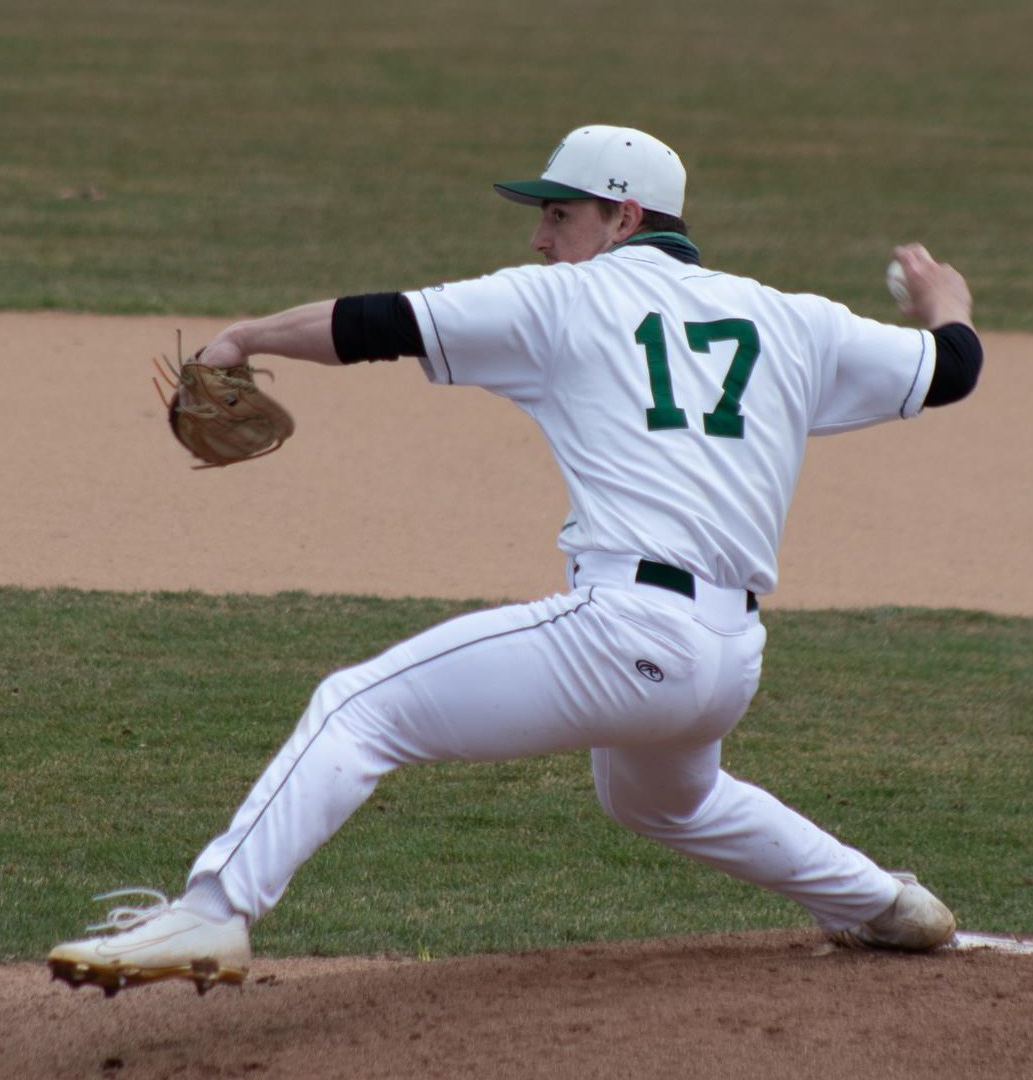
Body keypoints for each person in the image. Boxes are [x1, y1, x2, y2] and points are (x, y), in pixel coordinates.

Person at [49, 124, 982, 996]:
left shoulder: (564, 297)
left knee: (359, 705)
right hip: (726, 659)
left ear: (624, 218)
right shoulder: (794, 320)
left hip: (625, 634)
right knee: (664, 802)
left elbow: (375, 323)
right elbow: (950, 371)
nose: (540, 238)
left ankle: (210, 912)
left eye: (558, 213)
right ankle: (886, 906)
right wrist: (948, 308)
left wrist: (245, 337)